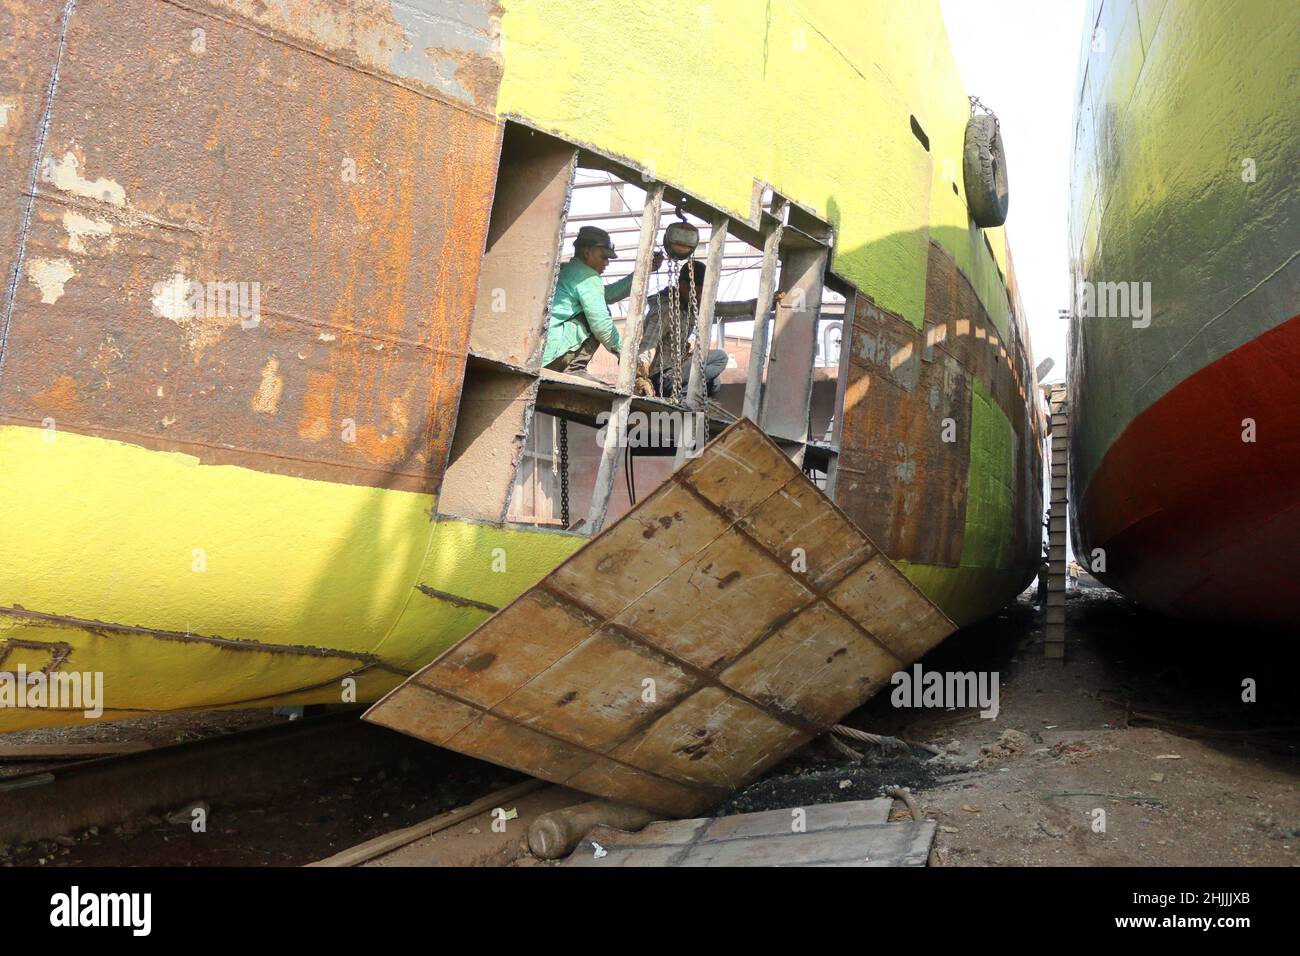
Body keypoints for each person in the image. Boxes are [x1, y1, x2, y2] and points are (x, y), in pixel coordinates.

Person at [543, 225, 663, 376]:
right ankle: (574, 368)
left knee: (599, 306)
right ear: (587, 252)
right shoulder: (587, 276)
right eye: (604, 257)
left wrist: (644, 270)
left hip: (543, 350)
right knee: (602, 312)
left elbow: (608, 294)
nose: (607, 262)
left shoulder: (569, 270)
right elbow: (602, 326)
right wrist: (626, 354)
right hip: (555, 349)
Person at [642, 260, 755, 399]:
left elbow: (723, 309)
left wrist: (754, 305)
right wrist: (640, 374)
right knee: (720, 358)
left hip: (676, 371)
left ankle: (686, 396)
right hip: (662, 377)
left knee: (714, 382)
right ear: (684, 286)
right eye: (699, 291)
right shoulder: (666, 309)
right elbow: (648, 344)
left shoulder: (689, 305)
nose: (701, 297)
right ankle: (680, 398)